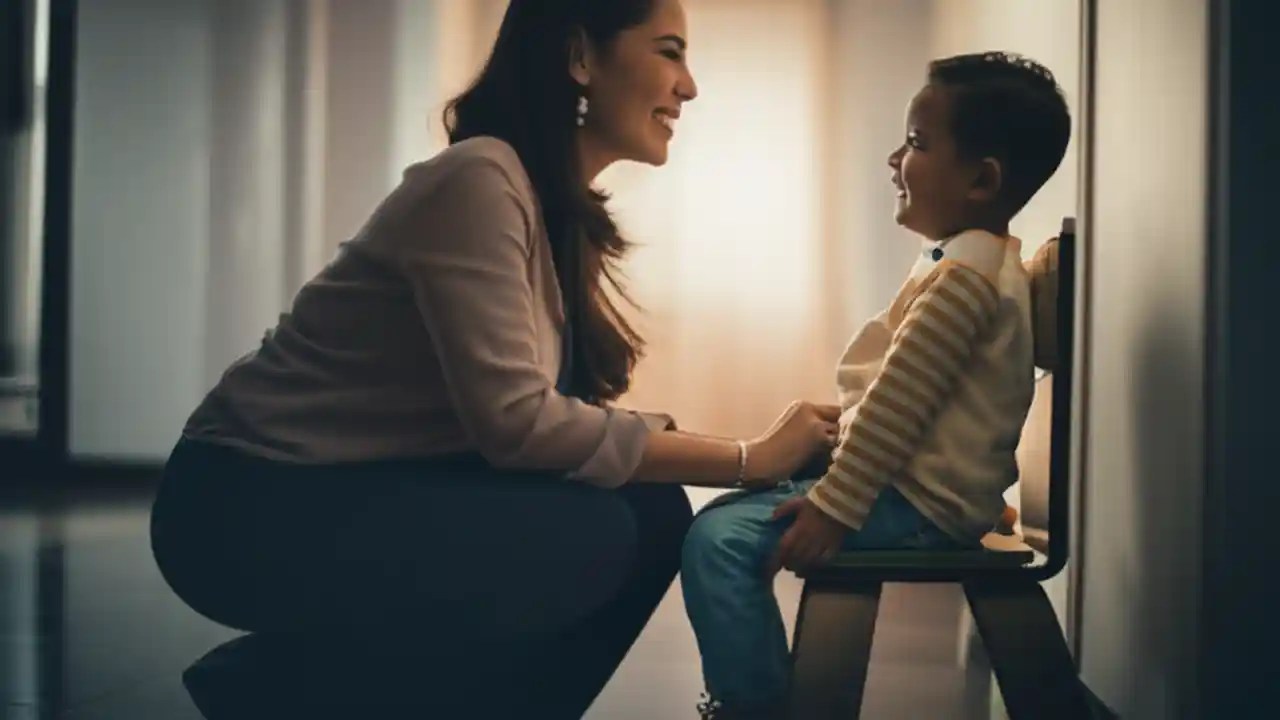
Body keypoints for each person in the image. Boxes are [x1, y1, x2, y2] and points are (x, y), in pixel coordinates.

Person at [147, 0, 841, 717]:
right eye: (669, 52)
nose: (688, 86)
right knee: (593, 536)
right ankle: (282, 685)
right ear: (579, 58)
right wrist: (748, 457)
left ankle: (310, 685)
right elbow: (519, 428)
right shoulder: (479, 178)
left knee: (649, 511)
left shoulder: (543, 204)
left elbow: (542, 424)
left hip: (349, 487)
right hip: (243, 504)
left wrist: (741, 453)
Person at [680, 51, 1073, 719]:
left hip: (909, 503)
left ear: (981, 180)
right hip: (911, 492)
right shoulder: (975, 266)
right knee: (728, 515)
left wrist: (835, 506)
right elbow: (928, 401)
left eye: (916, 142)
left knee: (718, 541)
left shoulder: (961, 284)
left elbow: (898, 404)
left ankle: (752, 706)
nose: (896, 158)